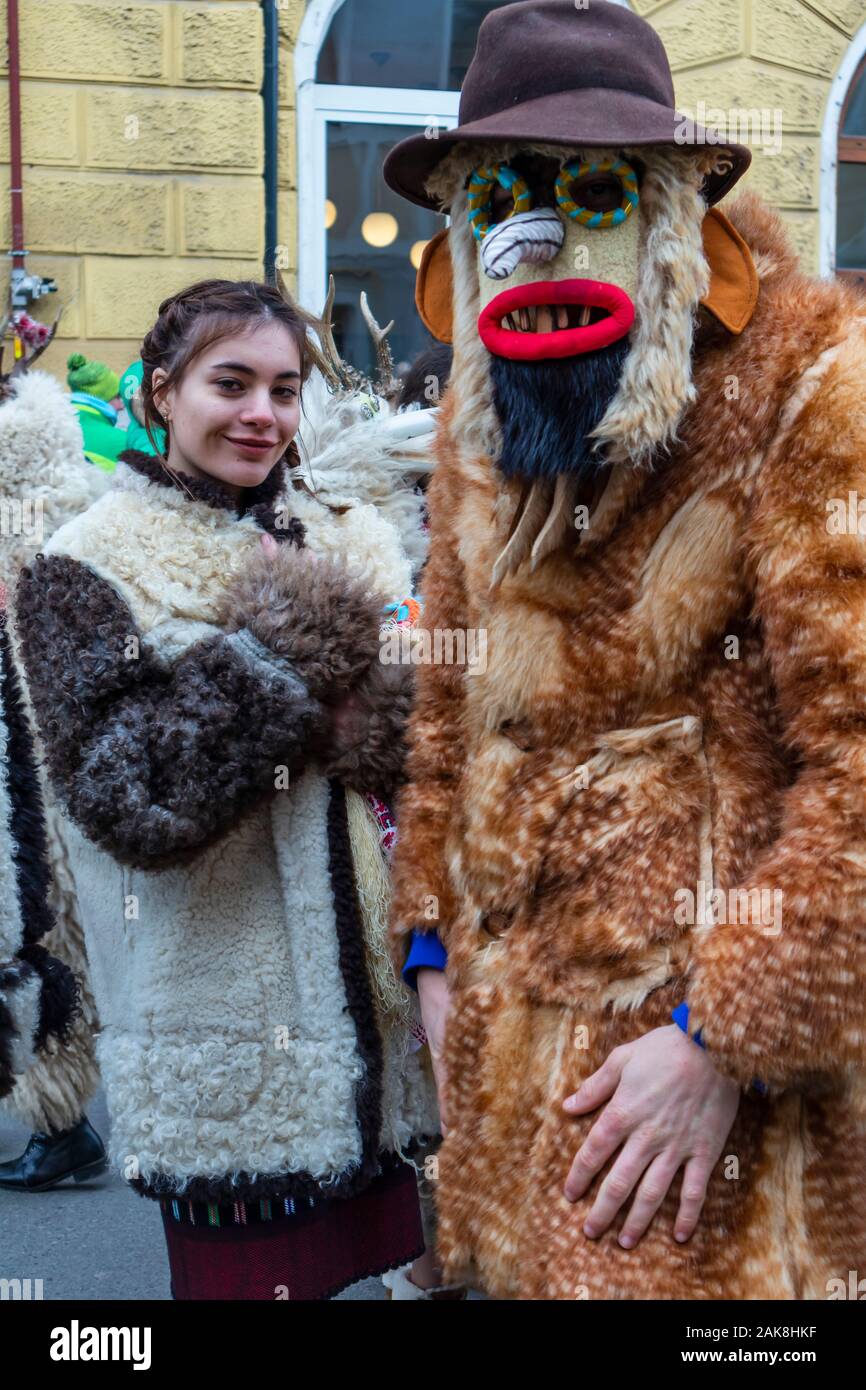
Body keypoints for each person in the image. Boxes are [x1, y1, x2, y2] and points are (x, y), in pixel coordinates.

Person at [385, 0, 866, 1299]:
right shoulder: (475, 410)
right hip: (499, 1065)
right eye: (496, 198)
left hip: (708, 1107)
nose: (535, 237)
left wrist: (727, 1034)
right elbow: (445, 703)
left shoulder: (809, 383)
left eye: (586, 188)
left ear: (674, 213)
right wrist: (429, 949)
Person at [10, 278, 438, 1300]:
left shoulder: (350, 533)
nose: (262, 413)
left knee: (434, 1275)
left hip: (393, 1031)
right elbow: (126, 799)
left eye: (284, 389)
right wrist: (281, 660)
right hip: (227, 1040)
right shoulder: (83, 564)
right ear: (161, 391)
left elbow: (422, 752)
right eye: (230, 382)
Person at [66, 352, 127, 471]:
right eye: (117, 397)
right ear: (103, 398)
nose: (121, 406)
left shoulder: (55, 430)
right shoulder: (122, 442)